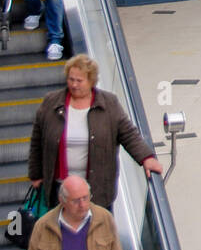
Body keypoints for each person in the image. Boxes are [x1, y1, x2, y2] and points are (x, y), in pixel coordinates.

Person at [28, 54, 163, 209]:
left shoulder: (109, 103)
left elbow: (128, 134)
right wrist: (35, 174)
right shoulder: (51, 102)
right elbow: (37, 140)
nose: (74, 85)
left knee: (98, 232)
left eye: (79, 80)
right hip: (60, 190)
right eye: (71, 79)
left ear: (91, 81)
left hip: (96, 192)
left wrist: (146, 158)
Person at [24, 176, 125, 250]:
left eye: (85, 198)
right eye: (76, 201)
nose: (82, 205)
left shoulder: (105, 219)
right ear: (62, 200)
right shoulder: (43, 226)